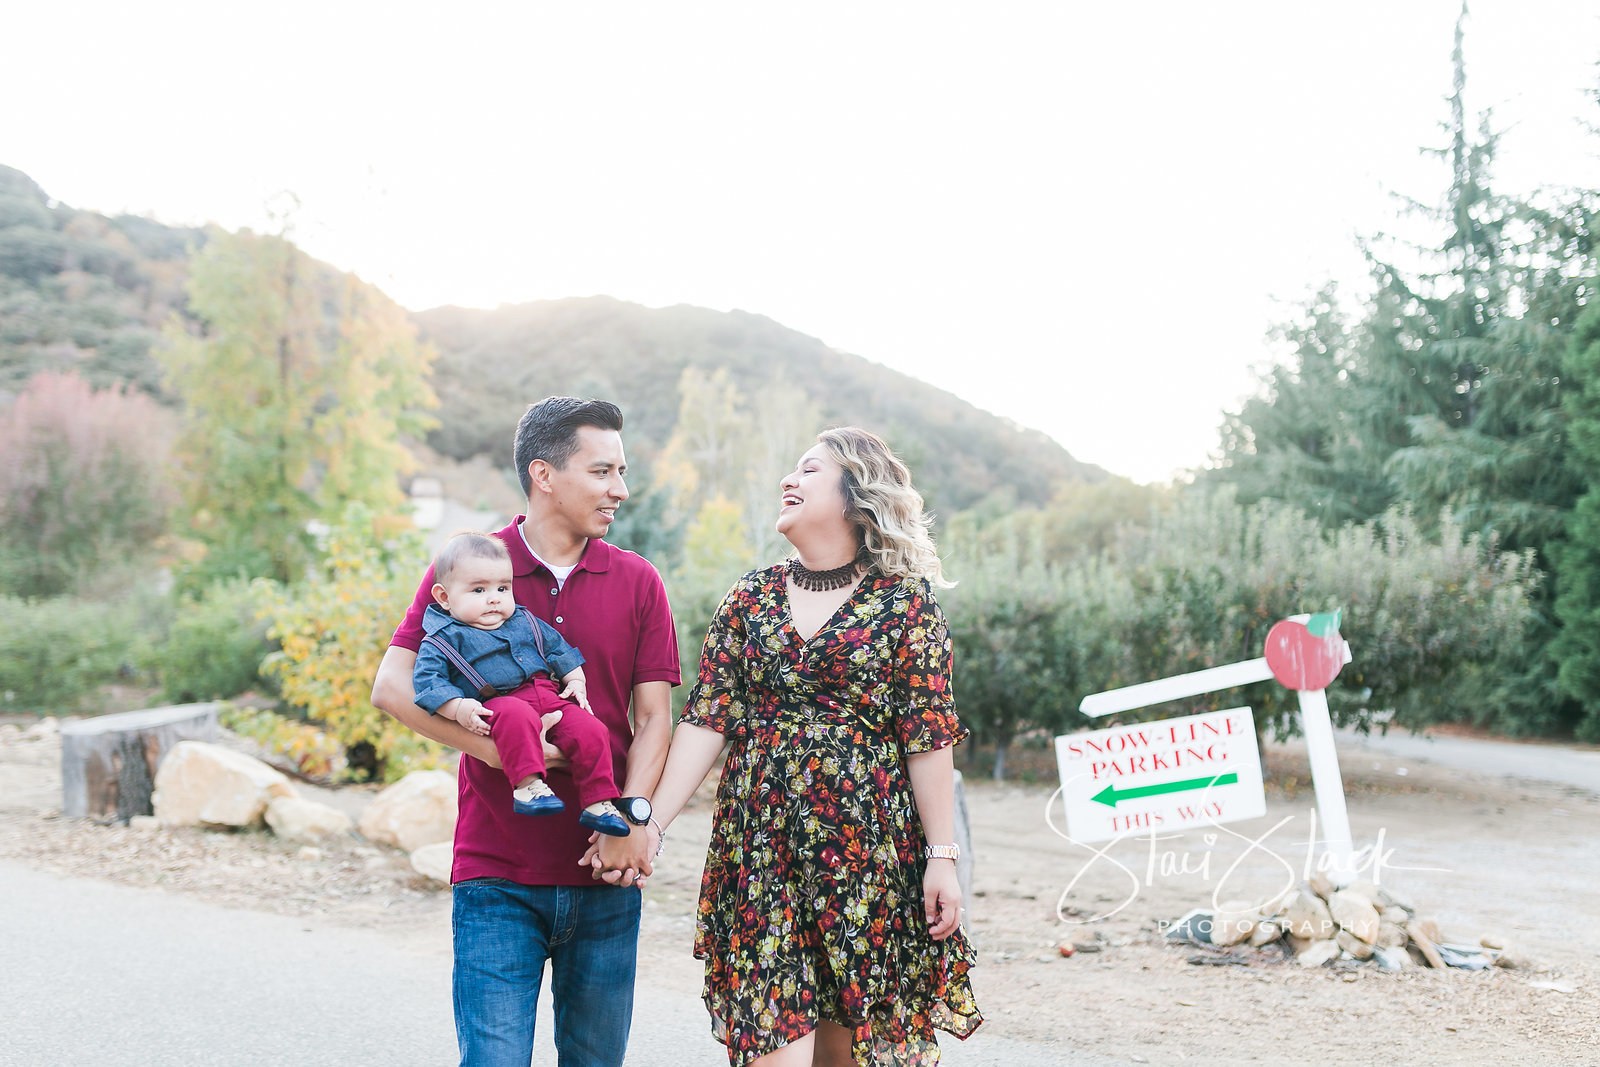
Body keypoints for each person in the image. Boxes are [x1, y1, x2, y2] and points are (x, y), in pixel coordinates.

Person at [641, 426, 983, 1066]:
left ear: (856, 496)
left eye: (809, 471)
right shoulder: (750, 596)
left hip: (867, 859)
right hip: (760, 854)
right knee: (774, 1049)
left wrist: (943, 857)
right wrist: (652, 826)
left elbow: (927, 738)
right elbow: (707, 719)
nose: (787, 481)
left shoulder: (905, 603)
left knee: (842, 1056)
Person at [370, 397, 680, 1067]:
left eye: (621, 471)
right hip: (496, 872)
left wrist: (630, 820)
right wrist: (514, 754)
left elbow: (656, 718)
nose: (619, 489)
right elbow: (391, 686)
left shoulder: (638, 580)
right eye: (602, 471)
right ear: (545, 474)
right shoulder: (470, 564)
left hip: (606, 874)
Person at [411, 530, 630, 836]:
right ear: (444, 598)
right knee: (517, 717)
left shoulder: (524, 621)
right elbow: (428, 683)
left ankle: (599, 802)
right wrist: (459, 708)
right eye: (478, 590)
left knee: (592, 730)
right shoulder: (443, 639)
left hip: (550, 696)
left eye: (503, 588)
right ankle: (529, 786)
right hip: (497, 701)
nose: (493, 598)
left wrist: (576, 680)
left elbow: (558, 650)